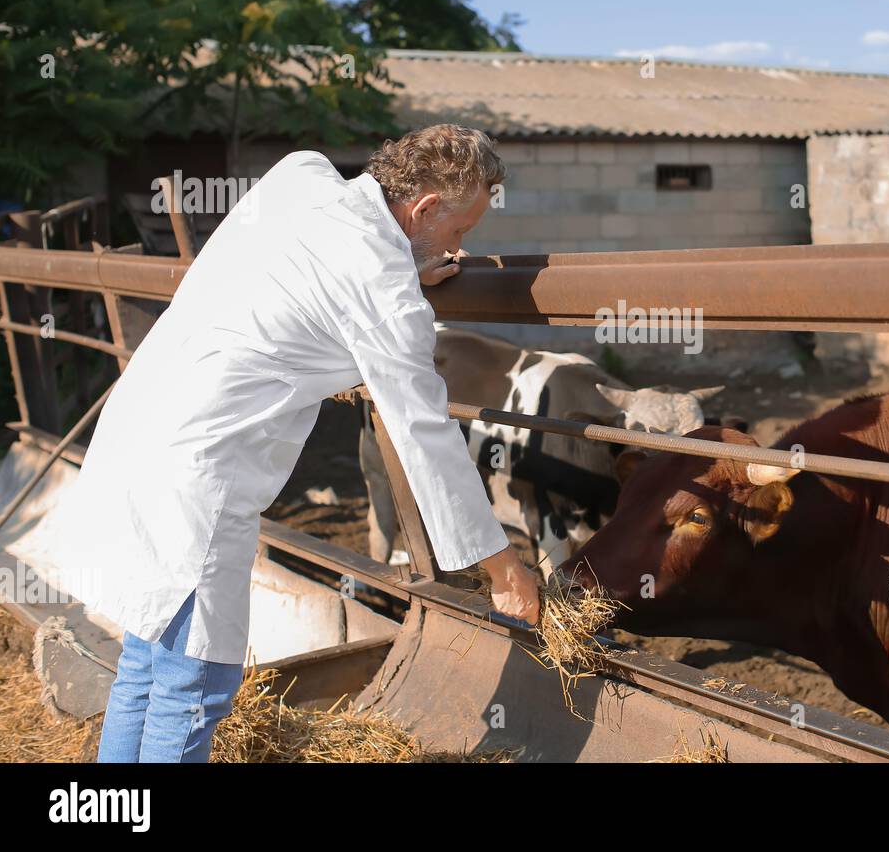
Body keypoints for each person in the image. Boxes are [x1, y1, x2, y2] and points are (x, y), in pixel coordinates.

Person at [52, 124, 540, 762]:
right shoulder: (385, 290)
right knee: (193, 686)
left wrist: (407, 263)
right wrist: (502, 566)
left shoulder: (300, 174)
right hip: (198, 479)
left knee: (147, 664)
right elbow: (425, 432)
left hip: (138, 429)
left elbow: (325, 271)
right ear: (423, 209)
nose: (459, 245)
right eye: (461, 229)